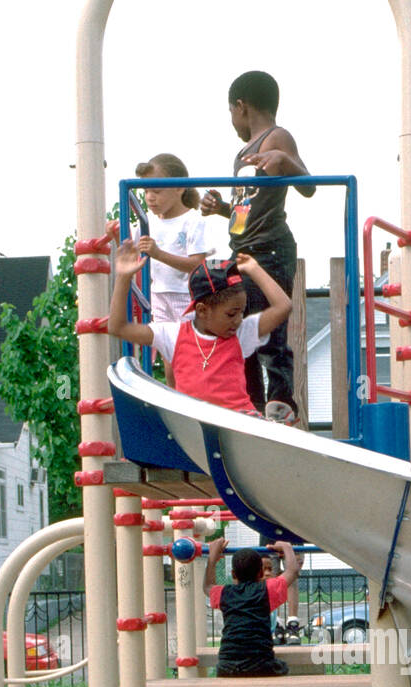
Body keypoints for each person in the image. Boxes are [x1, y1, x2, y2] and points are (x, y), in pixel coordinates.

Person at [200, 70, 313, 424]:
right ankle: (251, 399)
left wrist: (284, 161)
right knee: (242, 326)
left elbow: (307, 184)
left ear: (241, 106)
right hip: (245, 248)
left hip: (270, 249)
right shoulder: (242, 155)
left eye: (230, 112)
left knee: (269, 327)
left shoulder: (275, 137)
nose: (231, 120)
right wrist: (220, 208)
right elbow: (246, 209)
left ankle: (281, 400)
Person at [108, 244, 291, 414]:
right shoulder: (173, 335)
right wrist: (124, 277)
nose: (238, 320)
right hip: (196, 423)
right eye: (231, 314)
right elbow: (118, 328)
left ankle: (272, 421)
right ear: (202, 310)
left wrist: (254, 269)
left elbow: (283, 306)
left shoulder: (241, 334)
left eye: (242, 312)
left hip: (237, 421)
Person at [110, 153, 209, 386]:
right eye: (146, 192)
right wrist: (115, 237)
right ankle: (176, 404)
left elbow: (197, 264)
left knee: (189, 355)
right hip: (159, 295)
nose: (150, 198)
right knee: (169, 359)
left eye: (157, 191)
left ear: (179, 189)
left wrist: (158, 254)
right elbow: (131, 254)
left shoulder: (192, 221)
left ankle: (191, 401)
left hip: (188, 296)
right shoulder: (148, 222)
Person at [203, 535, 301, 687]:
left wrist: (212, 558)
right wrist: (286, 548)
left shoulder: (225, 593)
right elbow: (292, 573)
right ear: (260, 574)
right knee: (284, 686)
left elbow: (208, 586)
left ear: (233, 575)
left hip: (228, 665)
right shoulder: (266, 591)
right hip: (262, 663)